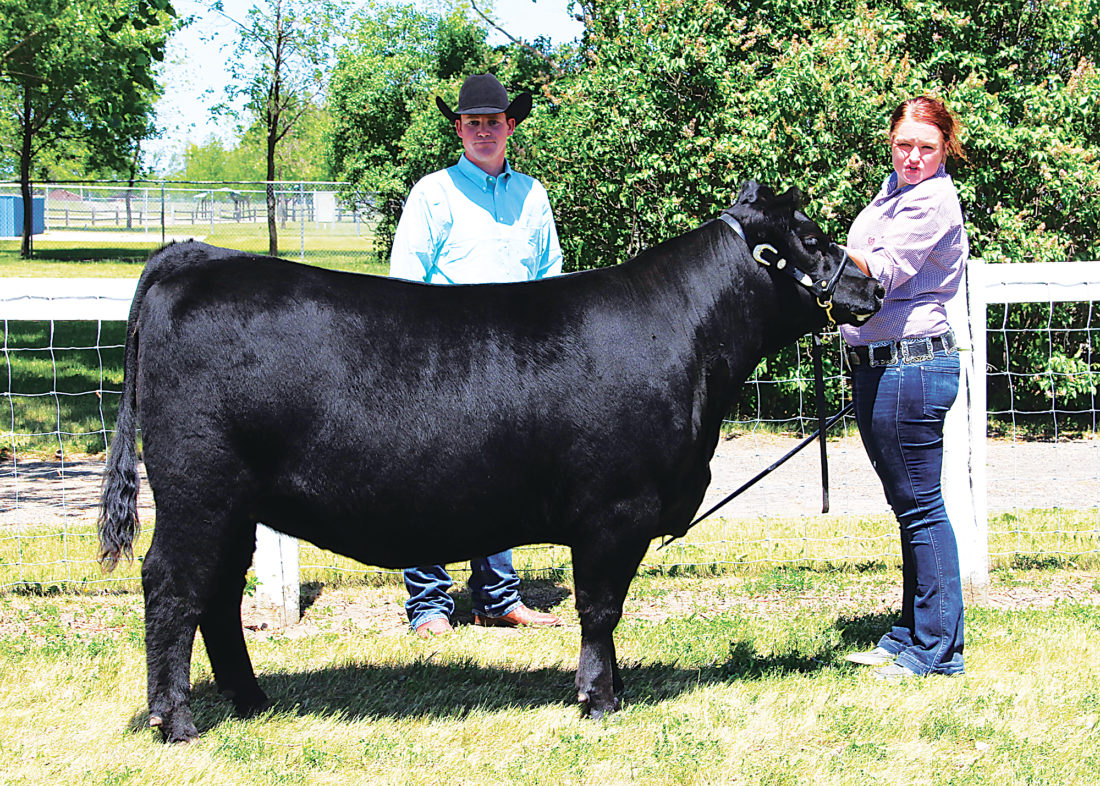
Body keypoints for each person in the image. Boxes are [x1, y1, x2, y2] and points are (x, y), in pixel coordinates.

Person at [389, 73, 564, 639]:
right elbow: (406, 281)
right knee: (428, 478)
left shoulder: (531, 196)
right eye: (473, 122)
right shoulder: (432, 193)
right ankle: (429, 606)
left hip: (513, 363)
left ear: (511, 126)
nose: (484, 131)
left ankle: (498, 598)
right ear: (458, 129)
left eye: (494, 121)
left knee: (504, 479)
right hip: (441, 359)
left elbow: (549, 281)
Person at [840, 96, 968, 679]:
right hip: (882, 364)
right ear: (890, 143)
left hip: (912, 367)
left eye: (927, 147)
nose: (913, 157)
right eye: (903, 145)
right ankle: (914, 632)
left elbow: (884, 272)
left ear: (947, 149)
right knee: (909, 507)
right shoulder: (892, 193)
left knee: (921, 508)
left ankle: (937, 650)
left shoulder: (934, 200)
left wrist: (808, 255)